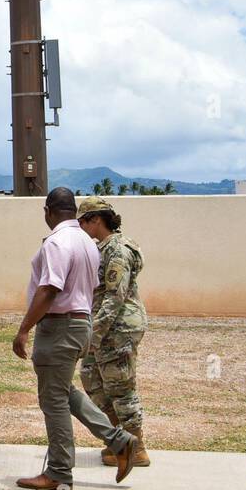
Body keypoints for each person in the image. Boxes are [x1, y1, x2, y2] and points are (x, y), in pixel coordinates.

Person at [13, 188, 138, 490]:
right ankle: (120, 441)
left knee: (52, 401)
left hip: (59, 326)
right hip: (81, 324)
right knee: (62, 392)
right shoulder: (87, 241)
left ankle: (58, 472)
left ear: (48, 212)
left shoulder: (57, 242)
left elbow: (49, 289)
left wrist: (24, 329)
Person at [77, 195, 150, 468]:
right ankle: (120, 440)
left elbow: (114, 298)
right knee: (91, 379)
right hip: (104, 328)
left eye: (83, 222)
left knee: (121, 388)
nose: (80, 228)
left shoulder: (117, 250)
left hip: (118, 329)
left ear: (96, 220)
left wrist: (92, 335)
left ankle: (137, 447)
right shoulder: (102, 248)